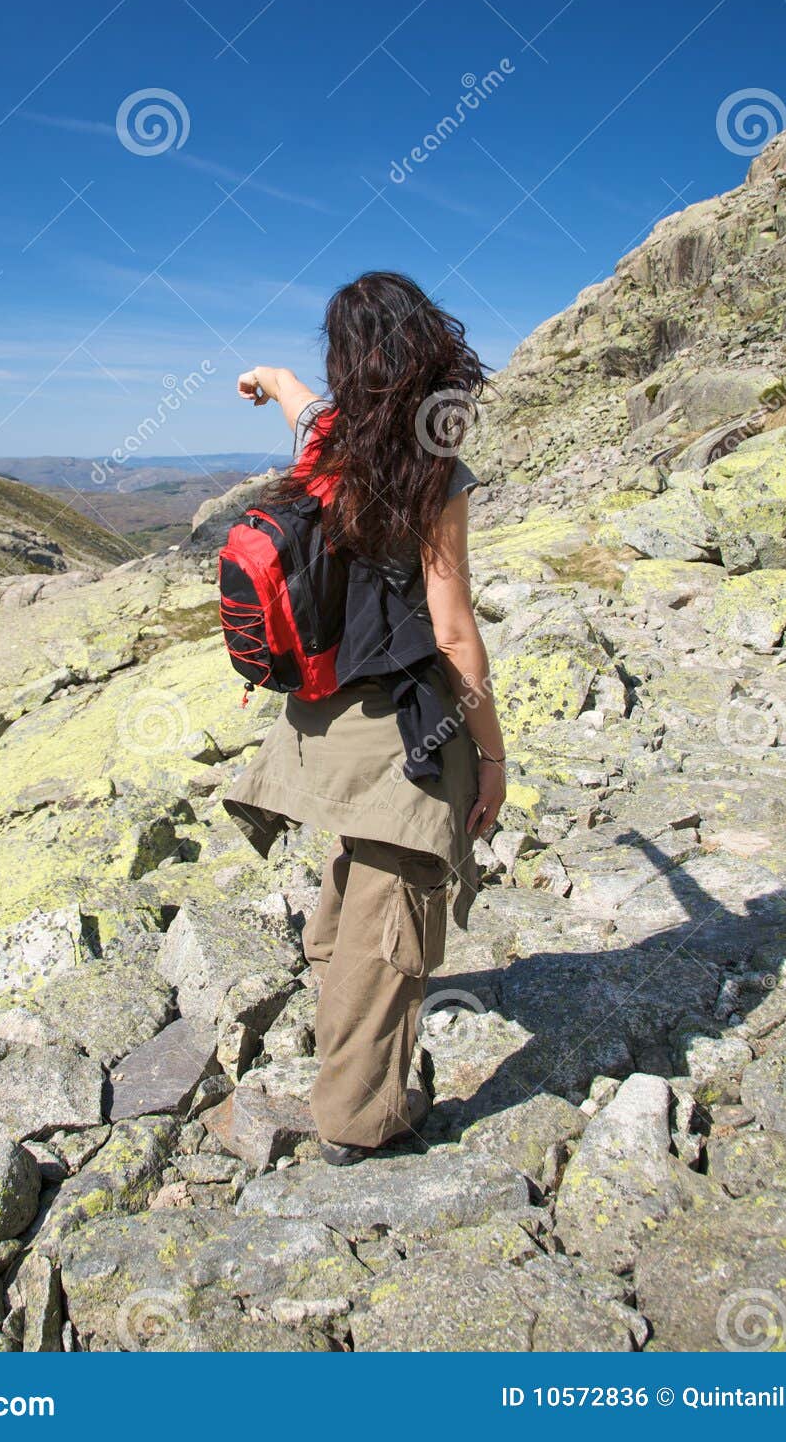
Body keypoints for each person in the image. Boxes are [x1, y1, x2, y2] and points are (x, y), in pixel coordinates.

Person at [224, 271, 506, 1166]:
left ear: (347, 360)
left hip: (316, 720)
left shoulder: (331, 438)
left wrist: (265, 376)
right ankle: (359, 1119)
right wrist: (491, 759)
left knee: (357, 865)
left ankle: (336, 1013)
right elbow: (453, 628)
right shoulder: (432, 464)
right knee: (395, 919)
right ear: (429, 346)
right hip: (401, 728)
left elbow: (298, 403)